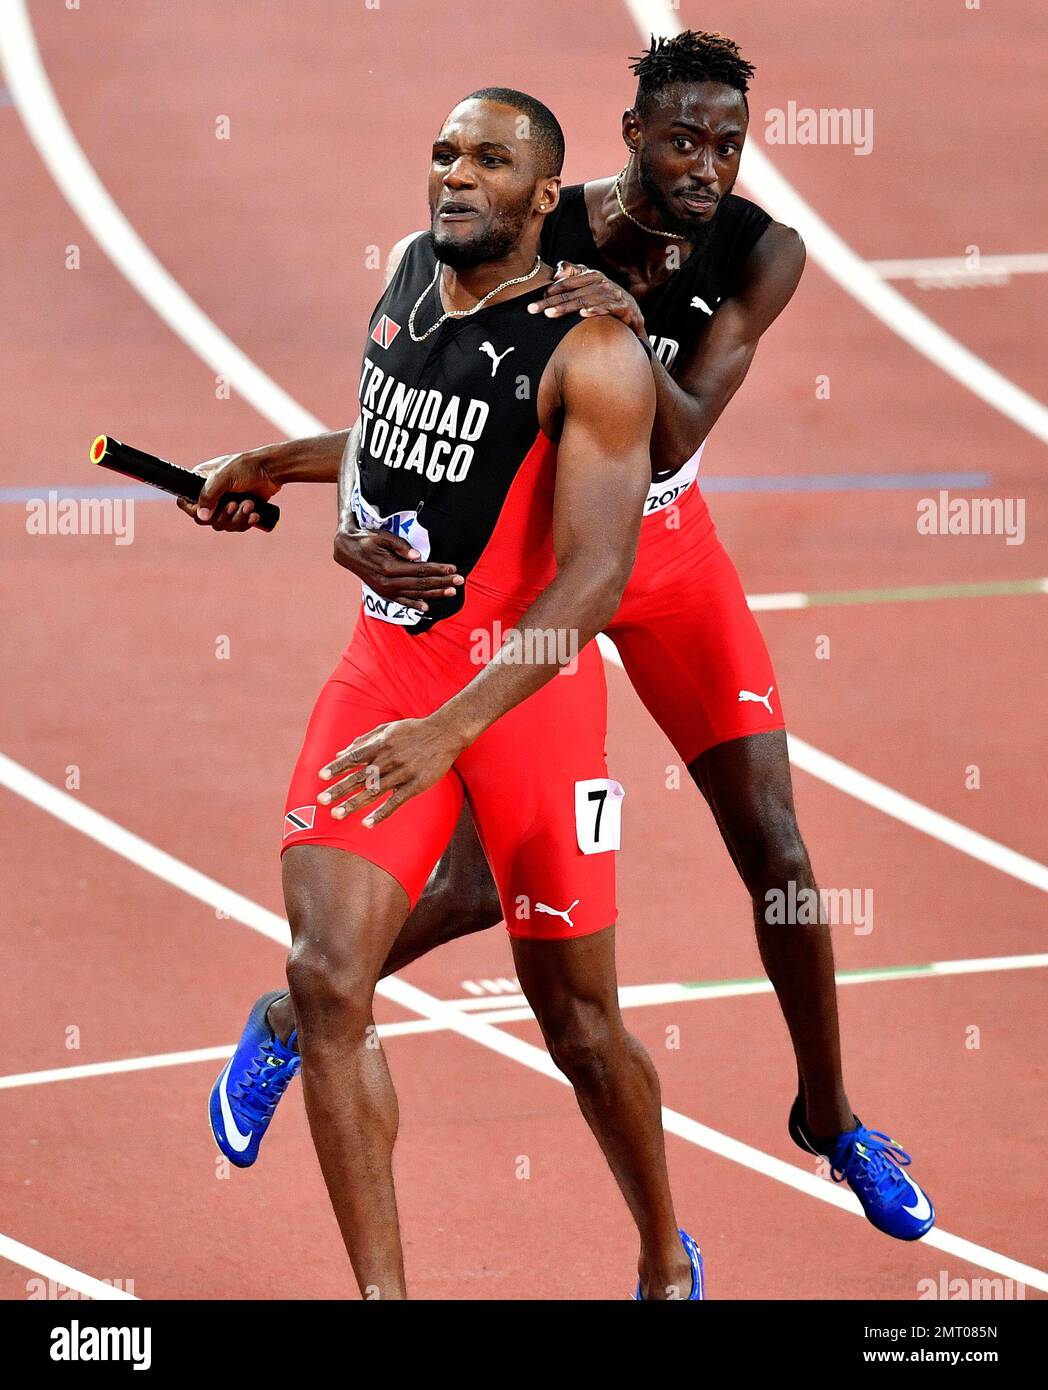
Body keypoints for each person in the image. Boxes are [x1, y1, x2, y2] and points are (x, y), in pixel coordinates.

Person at [191, 33, 933, 1246]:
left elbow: (675, 437)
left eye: (728, 145)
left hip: (663, 554)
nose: (708, 166)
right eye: (684, 140)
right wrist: (309, 485)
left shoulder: (762, 251)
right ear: (627, 140)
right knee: (485, 884)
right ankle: (303, 1009)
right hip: (549, 576)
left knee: (781, 850)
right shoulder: (535, 217)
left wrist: (628, 326)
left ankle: (834, 1117)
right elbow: (429, 418)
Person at [196, 87, 704, 1300]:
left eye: (489, 158)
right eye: (441, 152)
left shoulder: (593, 352)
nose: (454, 174)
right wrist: (286, 472)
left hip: (523, 695)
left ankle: (659, 1255)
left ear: (544, 195)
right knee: (329, 975)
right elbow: (402, 437)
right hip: (390, 664)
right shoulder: (410, 280)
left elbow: (592, 583)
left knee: (578, 1023)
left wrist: (455, 728)